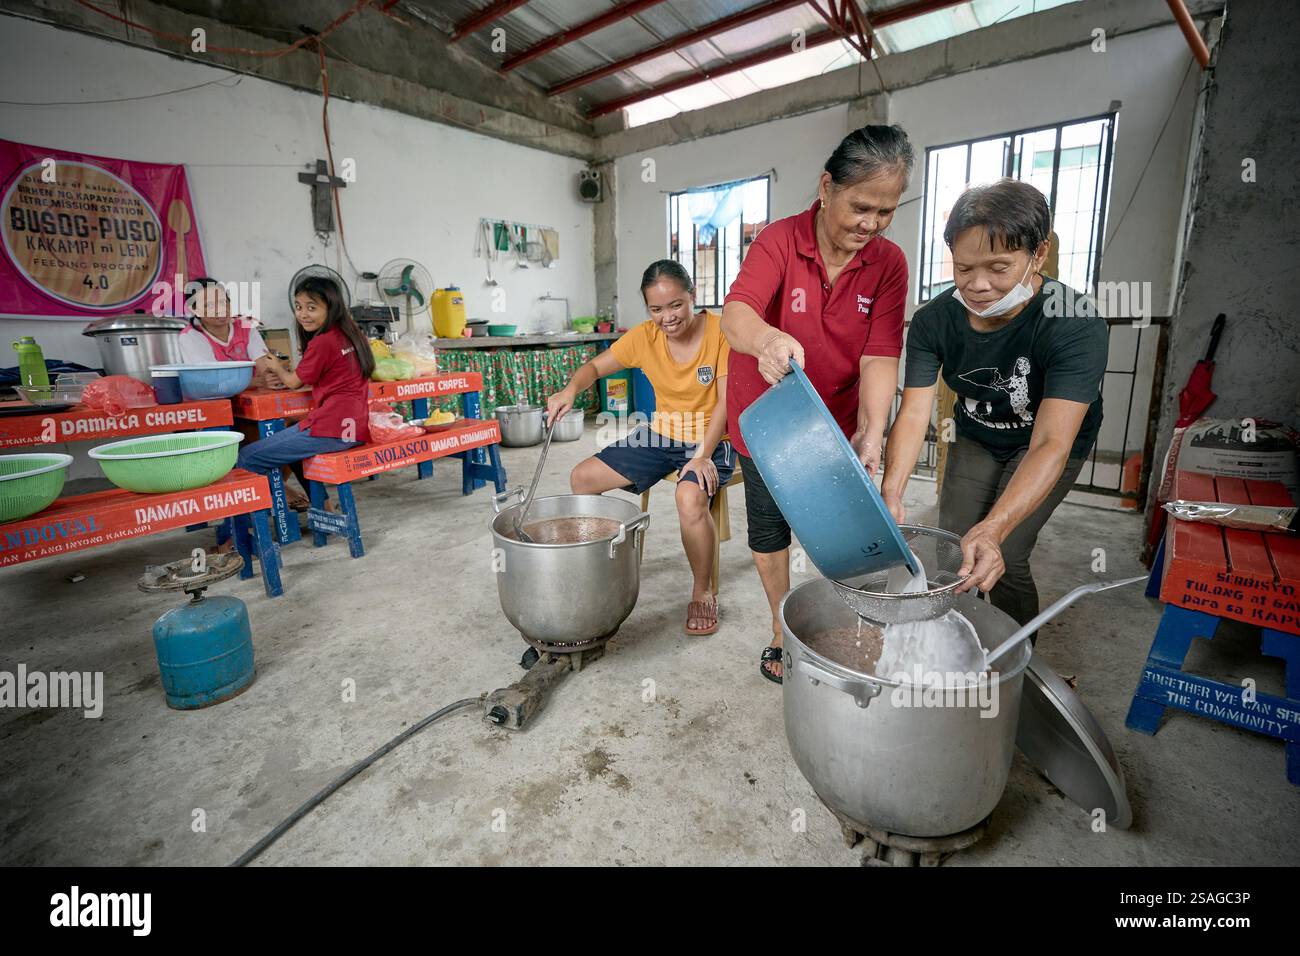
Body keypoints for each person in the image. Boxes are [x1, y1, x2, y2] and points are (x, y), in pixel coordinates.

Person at [721, 125, 913, 684]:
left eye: (886, 211)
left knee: (848, 529)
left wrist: (873, 431)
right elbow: (736, 314)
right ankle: (783, 629)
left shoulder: (889, 264)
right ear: (827, 187)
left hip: (835, 423)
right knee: (770, 530)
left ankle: (851, 622)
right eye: (860, 206)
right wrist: (767, 341)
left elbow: (880, 354)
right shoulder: (779, 240)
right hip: (766, 419)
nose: (870, 224)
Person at [882, 178, 1108, 626]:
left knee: (1003, 552)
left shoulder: (1074, 324)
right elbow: (913, 411)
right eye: (963, 269)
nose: (978, 285)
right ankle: (953, 643)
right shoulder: (933, 321)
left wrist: (995, 527)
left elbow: (1049, 444)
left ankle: (1013, 661)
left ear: (1038, 255)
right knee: (953, 547)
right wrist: (891, 490)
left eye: (999, 268)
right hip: (978, 434)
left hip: (1047, 443)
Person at [546, 260, 734, 638]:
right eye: (657, 309)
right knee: (581, 478)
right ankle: (603, 568)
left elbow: (726, 404)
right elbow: (595, 368)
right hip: (661, 436)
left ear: (692, 296)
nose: (668, 318)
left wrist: (701, 455)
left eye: (676, 305)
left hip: (713, 439)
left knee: (688, 497)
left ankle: (702, 590)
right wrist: (569, 390)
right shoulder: (643, 338)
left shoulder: (720, 331)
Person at [235, 275, 373, 511]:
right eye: (298, 307)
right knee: (292, 438)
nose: (303, 314)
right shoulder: (353, 334)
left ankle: (257, 525)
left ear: (331, 307)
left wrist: (277, 365)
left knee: (246, 458)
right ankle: (323, 507)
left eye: (312, 308)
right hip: (355, 426)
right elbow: (334, 376)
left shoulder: (324, 341)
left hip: (332, 429)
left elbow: (293, 382)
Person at [180, 277, 279, 388]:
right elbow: (210, 381)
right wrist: (254, 383)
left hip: (251, 397)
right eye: (209, 305)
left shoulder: (245, 325)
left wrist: (270, 376)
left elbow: (264, 366)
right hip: (218, 400)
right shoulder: (190, 337)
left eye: (223, 302)